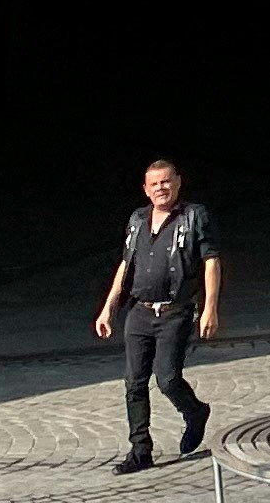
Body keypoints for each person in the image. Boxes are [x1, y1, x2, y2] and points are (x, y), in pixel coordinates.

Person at [91, 157, 222, 474]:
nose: (161, 187)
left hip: (175, 312)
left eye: (166, 181)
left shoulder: (193, 216)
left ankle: (195, 412)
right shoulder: (137, 219)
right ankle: (140, 450)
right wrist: (109, 306)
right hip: (139, 312)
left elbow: (211, 262)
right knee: (134, 383)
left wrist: (210, 308)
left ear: (178, 182)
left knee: (167, 379)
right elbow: (126, 265)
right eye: (155, 183)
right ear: (146, 189)